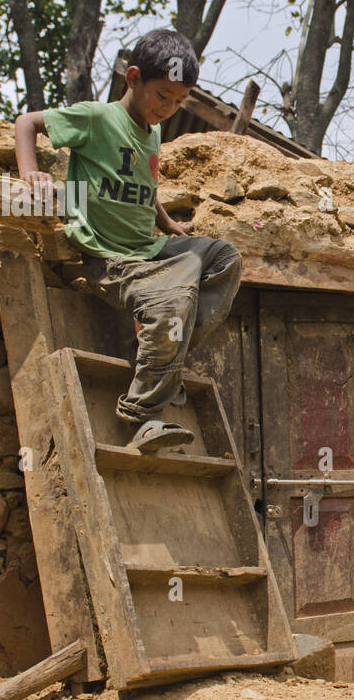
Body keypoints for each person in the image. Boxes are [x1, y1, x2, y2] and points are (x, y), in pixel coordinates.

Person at [14, 29, 242, 452]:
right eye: (163, 95)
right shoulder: (98, 118)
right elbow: (27, 122)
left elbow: (142, 184)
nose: (169, 108)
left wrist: (168, 224)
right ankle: (143, 416)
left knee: (223, 257)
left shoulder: (152, 133)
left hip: (149, 249)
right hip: (110, 257)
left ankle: (163, 365)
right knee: (172, 300)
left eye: (179, 101)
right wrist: (30, 173)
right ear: (133, 77)